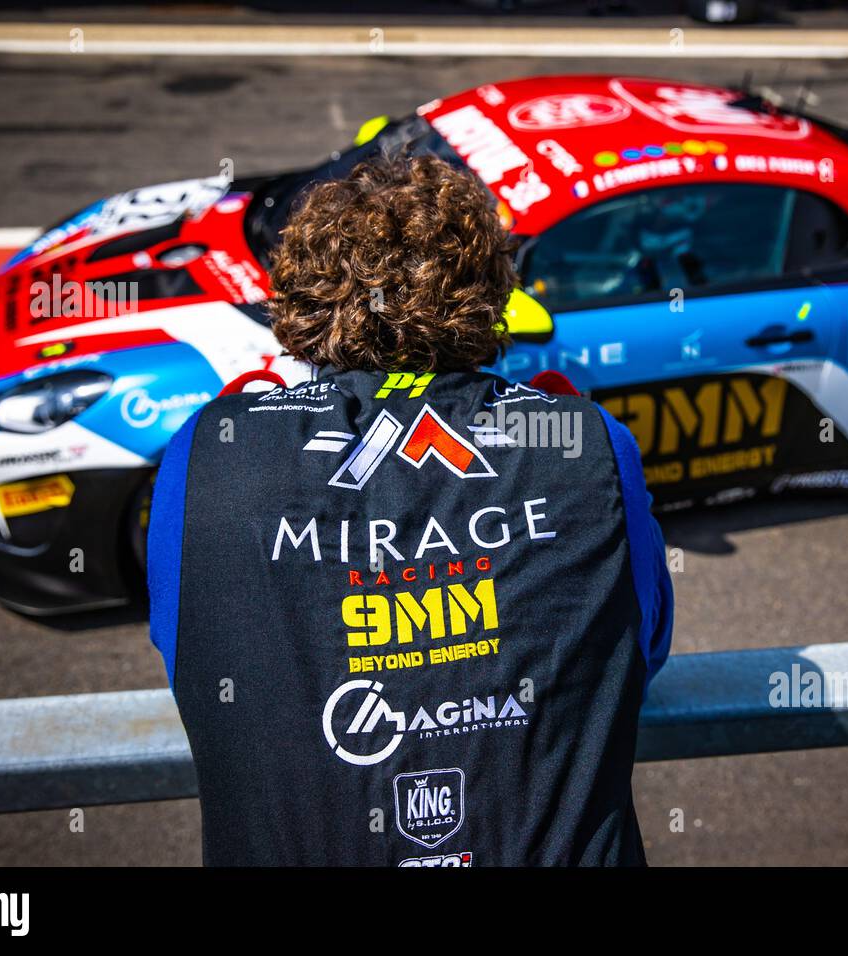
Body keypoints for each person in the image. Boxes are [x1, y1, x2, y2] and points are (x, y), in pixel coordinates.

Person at [147, 155, 673, 866]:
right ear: (492, 298)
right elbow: (648, 643)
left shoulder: (208, 453)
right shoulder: (588, 442)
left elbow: (192, 648)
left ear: (303, 299)